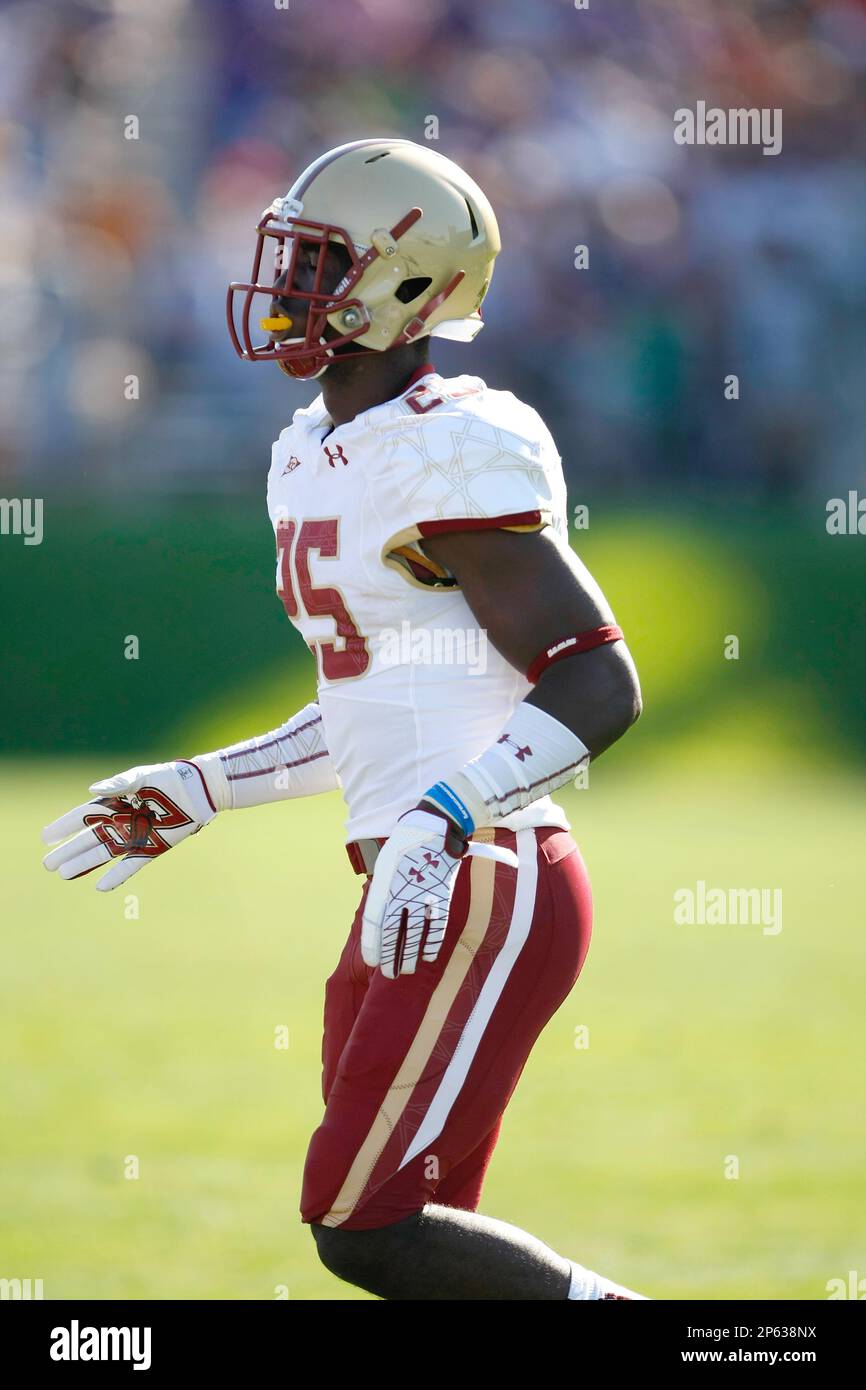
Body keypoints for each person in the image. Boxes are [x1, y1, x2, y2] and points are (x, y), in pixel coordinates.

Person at [43, 138, 645, 1300]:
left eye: (318, 262)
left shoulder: (449, 444)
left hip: (482, 872)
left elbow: (593, 679)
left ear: (407, 285)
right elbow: (372, 704)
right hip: (416, 877)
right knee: (411, 1246)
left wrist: (443, 816)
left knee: (358, 1222)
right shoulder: (314, 451)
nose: (284, 291)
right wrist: (205, 784)